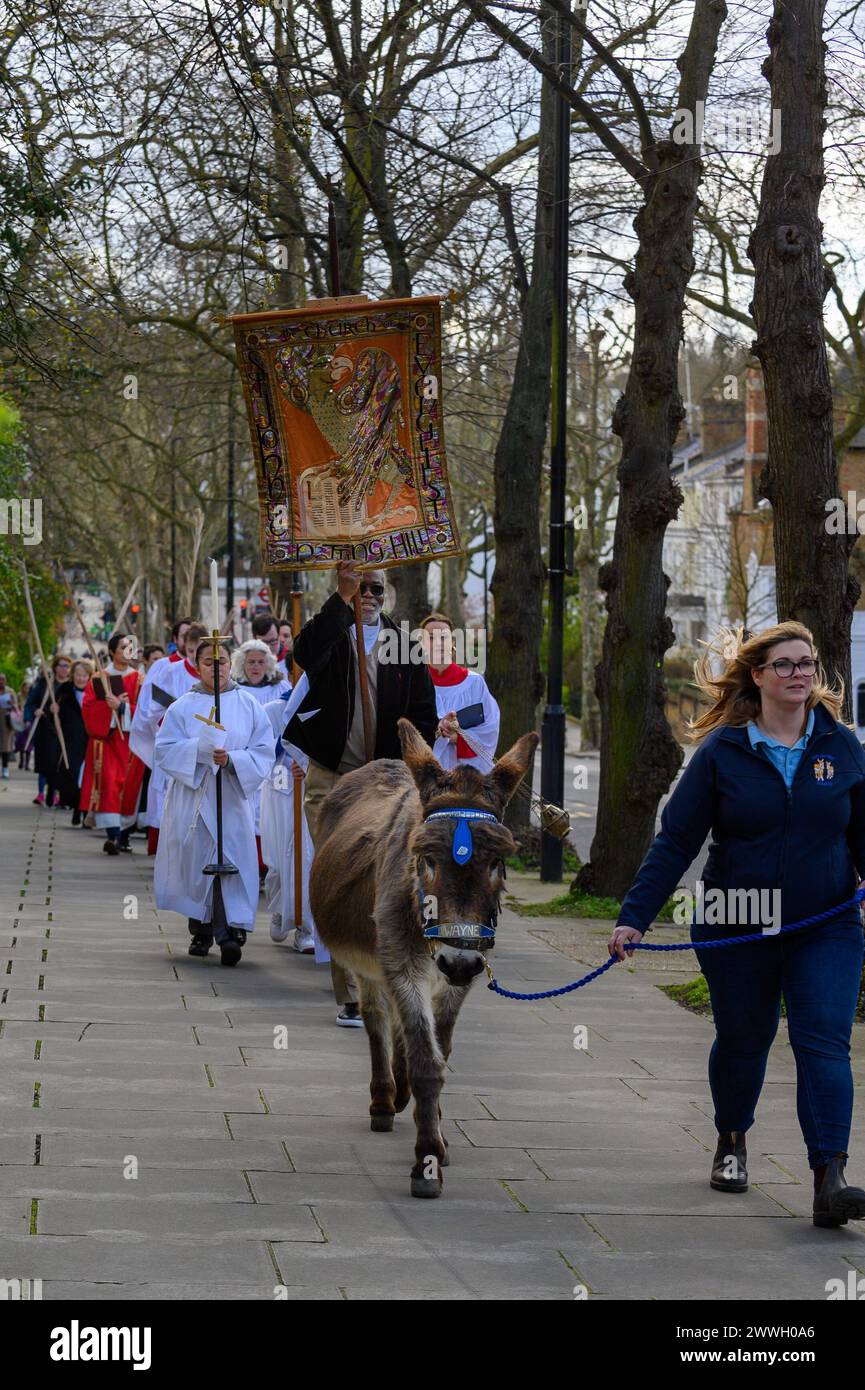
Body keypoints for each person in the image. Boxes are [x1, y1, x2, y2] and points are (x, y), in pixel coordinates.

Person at [608, 622, 865, 1229]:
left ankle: (831, 1177)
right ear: (758, 675)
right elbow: (676, 842)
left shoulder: (841, 746)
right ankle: (731, 1139)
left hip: (824, 924)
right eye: (785, 665)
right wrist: (634, 918)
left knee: (824, 1042)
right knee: (744, 1039)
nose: (800, 673)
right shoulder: (723, 750)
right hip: (737, 922)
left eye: (807, 663)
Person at [284, 561, 437, 1025]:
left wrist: (413, 768)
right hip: (334, 778)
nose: (367, 596)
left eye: (375, 588)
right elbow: (304, 654)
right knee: (341, 873)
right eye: (359, 588)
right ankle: (351, 992)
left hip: (386, 780)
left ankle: (392, 975)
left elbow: (423, 715)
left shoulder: (402, 646)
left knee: (388, 875)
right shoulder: (330, 633)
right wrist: (338, 600)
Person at [153, 637, 273, 966]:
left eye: (221, 662)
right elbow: (163, 750)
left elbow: (263, 748)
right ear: (197, 664)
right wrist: (199, 751)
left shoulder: (248, 704)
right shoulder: (181, 706)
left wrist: (232, 759)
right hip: (195, 796)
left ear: (229, 663)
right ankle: (202, 928)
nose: (216, 668)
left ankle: (231, 928)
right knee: (198, 864)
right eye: (208, 661)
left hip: (232, 795)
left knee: (233, 859)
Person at [130, 622, 208, 855]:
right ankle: (165, 847)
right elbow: (149, 708)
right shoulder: (170, 672)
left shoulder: (215, 674)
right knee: (166, 795)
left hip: (201, 747)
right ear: (185, 646)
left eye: (200, 651)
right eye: (192, 650)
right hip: (174, 744)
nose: (195, 657)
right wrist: (174, 706)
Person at [80, 634, 146, 855]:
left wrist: (124, 708)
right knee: (109, 784)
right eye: (123, 648)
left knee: (128, 786)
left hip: (131, 742)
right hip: (107, 741)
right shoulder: (100, 678)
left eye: (131, 648)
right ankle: (113, 836)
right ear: (112, 652)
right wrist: (108, 708)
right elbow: (88, 708)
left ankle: (123, 835)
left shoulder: (140, 680)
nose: (128, 652)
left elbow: (148, 712)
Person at [419, 612, 500, 771]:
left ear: (453, 642)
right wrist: (437, 731)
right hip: (424, 771)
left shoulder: (474, 683)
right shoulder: (415, 683)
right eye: (431, 637)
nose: (438, 643)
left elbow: (490, 726)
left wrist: (458, 737)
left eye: (443, 637)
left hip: (463, 772)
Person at [25, 655, 72, 806]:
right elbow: (30, 703)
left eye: (67, 666)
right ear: (55, 667)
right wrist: (35, 711)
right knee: (45, 763)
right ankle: (41, 794)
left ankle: (57, 794)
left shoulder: (71, 687)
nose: (64, 669)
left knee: (60, 764)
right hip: (45, 730)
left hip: (65, 731)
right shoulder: (45, 684)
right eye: (61, 665)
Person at [55, 660, 92, 824]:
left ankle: (83, 811)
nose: (81, 679)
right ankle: (76, 807)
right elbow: (55, 717)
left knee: (87, 777)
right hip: (71, 741)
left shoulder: (95, 692)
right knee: (73, 776)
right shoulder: (64, 692)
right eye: (78, 675)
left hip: (91, 740)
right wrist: (53, 710)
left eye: (84, 675)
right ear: (72, 675)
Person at [251, 613, 288, 678]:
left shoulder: (292, 662)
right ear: (254, 639)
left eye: (273, 641)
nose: (268, 647)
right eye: (263, 643)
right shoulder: (245, 665)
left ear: (279, 636)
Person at [0, 672, 20, 780]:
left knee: (5, 746)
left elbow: (17, 708)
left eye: (3, 679)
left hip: (6, 722)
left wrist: (12, 704)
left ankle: (5, 769)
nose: (1, 681)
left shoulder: (10, 691)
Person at [15, 679, 32, 770]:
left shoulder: (32, 696)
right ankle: (21, 761)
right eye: (26, 687)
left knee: (29, 743)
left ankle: (27, 764)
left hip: (30, 721)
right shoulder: (19, 696)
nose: (27, 689)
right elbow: (16, 707)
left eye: (29, 687)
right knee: (21, 742)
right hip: (20, 720)